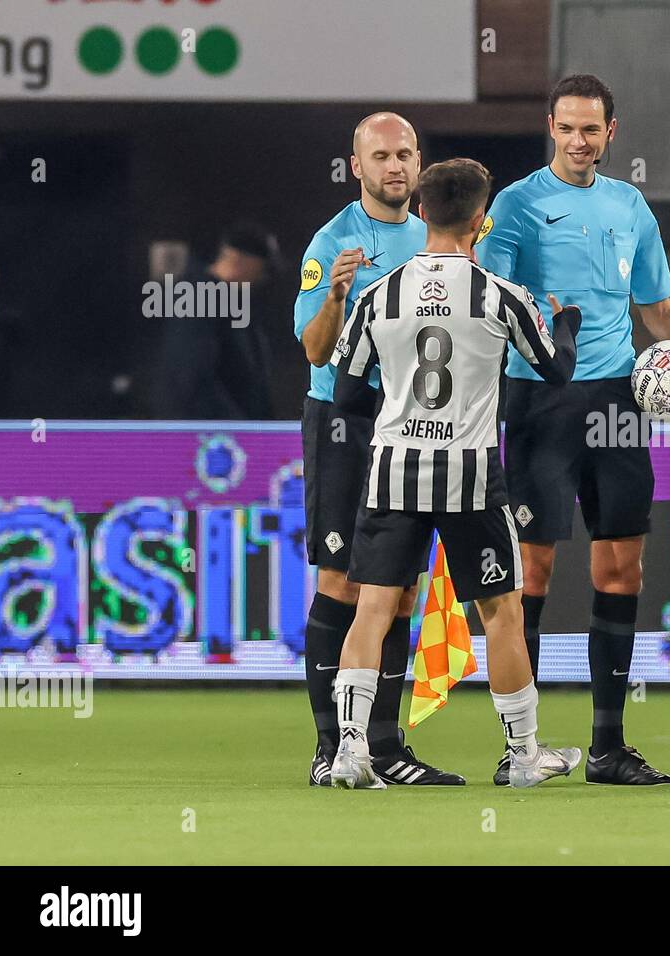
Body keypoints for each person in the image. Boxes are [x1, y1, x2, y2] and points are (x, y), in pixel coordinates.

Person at [477, 74, 670, 786]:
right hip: (540, 399)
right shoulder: (516, 205)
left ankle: (608, 747)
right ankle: (520, 747)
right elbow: (485, 301)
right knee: (533, 570)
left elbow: (657, 311)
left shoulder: (629, 205)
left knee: (622, 567)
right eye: (567, 128)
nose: (579, 141)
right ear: (549, 128)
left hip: (619, 402)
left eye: (591, 129)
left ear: (611, 132)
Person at [328, 158, 583, 789]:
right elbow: (555, 371)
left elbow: (346, 394)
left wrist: (399, 408)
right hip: (470, 475)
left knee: (373, 609)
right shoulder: (500, 295)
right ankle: (523, 756)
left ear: (421, 213)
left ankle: (351, 752)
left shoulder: (378, 295)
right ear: (480, 220)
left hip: (393, 470)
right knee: (501, 612)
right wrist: (567, 324)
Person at [293, 112, 460, 787]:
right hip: (345, 424)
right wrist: (335, 294)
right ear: (356, 166)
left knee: (400, 588)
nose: (395, 166)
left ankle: (386, 748)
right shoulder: (332, 242)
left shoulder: (434, 240)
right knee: (341, 581)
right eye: (381, 156)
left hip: (411, 425)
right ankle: (330, 748)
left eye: (405, 154)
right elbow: (315, 350)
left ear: (419, 163)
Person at [159, 221, 279, 420]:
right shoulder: (200, 296)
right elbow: (193, 374)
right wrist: (236, 426)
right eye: (262, 268)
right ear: (241, 260)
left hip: (233, 427)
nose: (261, 278)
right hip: (214, 431)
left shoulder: (229, 300)